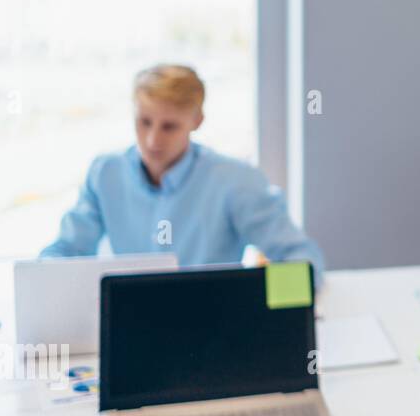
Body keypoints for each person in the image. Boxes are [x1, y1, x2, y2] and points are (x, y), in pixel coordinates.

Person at [41, 64, 326, 286]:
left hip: (212, 325)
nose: (152, 140)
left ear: (196, 121)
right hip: (131, 322)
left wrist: (262, 302)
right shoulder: (105, 174)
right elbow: (67, 249)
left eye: (169, 127)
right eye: (144, 122)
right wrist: (46, 282)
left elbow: (301, 261)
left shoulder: (237, 181)